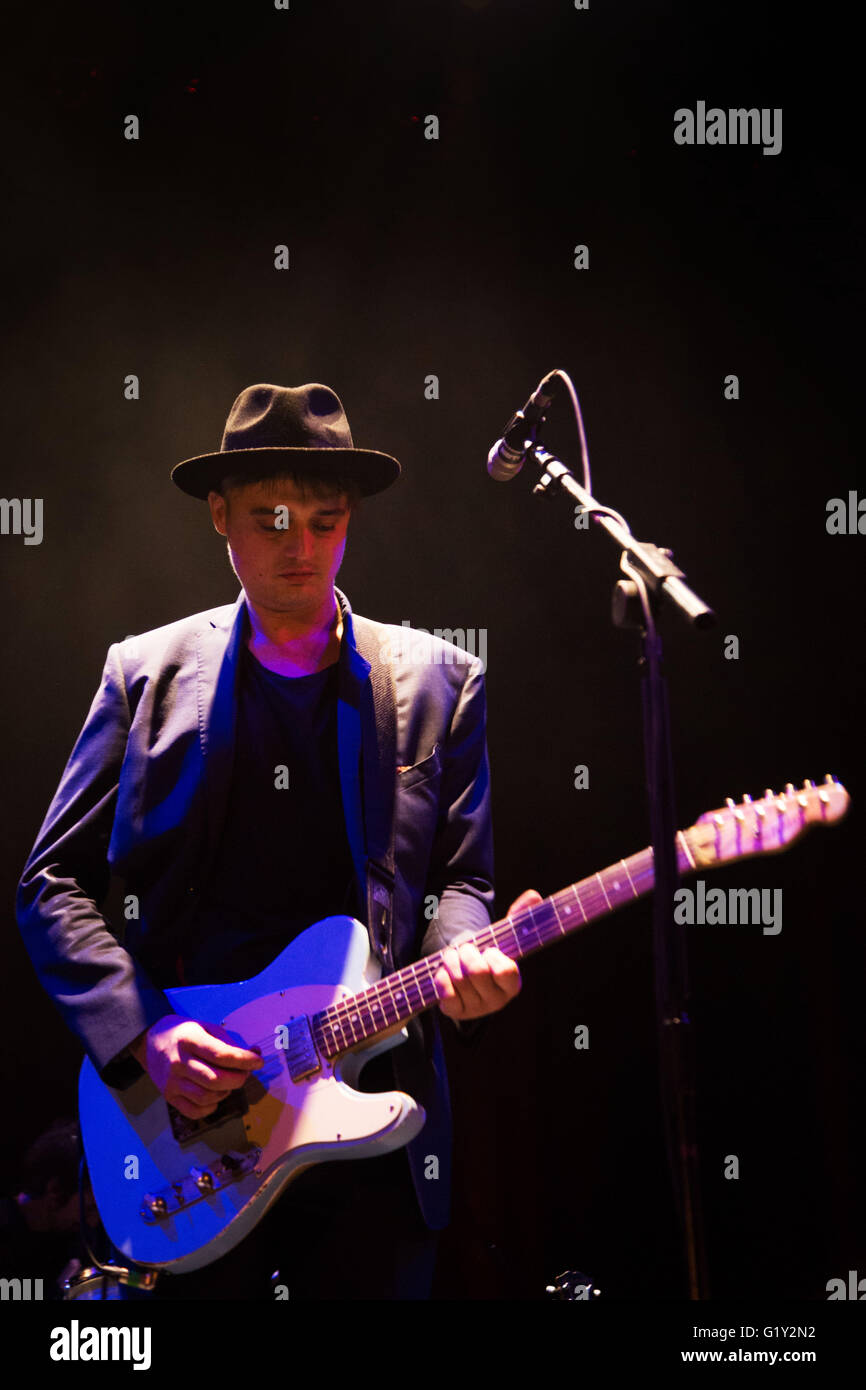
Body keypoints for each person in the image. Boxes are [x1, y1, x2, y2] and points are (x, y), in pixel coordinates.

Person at [16, 381, 539, 1300]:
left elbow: (463, 880)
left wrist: (464, 961)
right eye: (272, 522)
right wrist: (146, 1036)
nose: (302, 550)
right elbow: (49, 882)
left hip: (374, 1130)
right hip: (190, 1133)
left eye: (326, 523)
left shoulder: (437, 681)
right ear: (219, 516)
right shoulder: (143, 675)